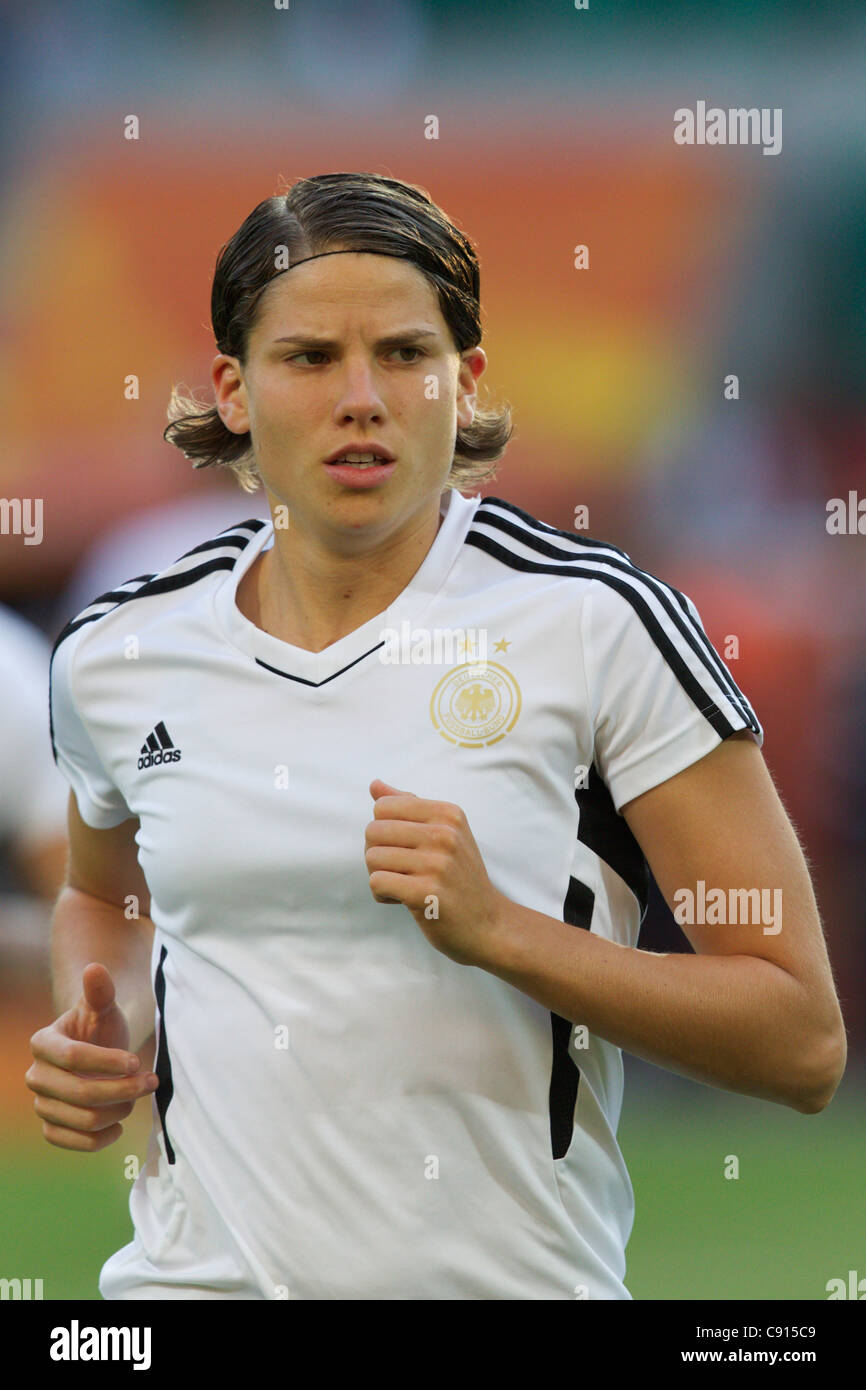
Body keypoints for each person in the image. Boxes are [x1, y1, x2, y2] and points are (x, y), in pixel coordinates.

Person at [27, 172, 847, 1301]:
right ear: (231, 389)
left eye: (404, 356)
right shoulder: (120, 651)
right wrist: (90, 1027)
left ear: (463, 386)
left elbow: (799, 1042)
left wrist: (502, 932)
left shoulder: (593, 622)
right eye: (310, 357)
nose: (360, 397)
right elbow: (97, 893)